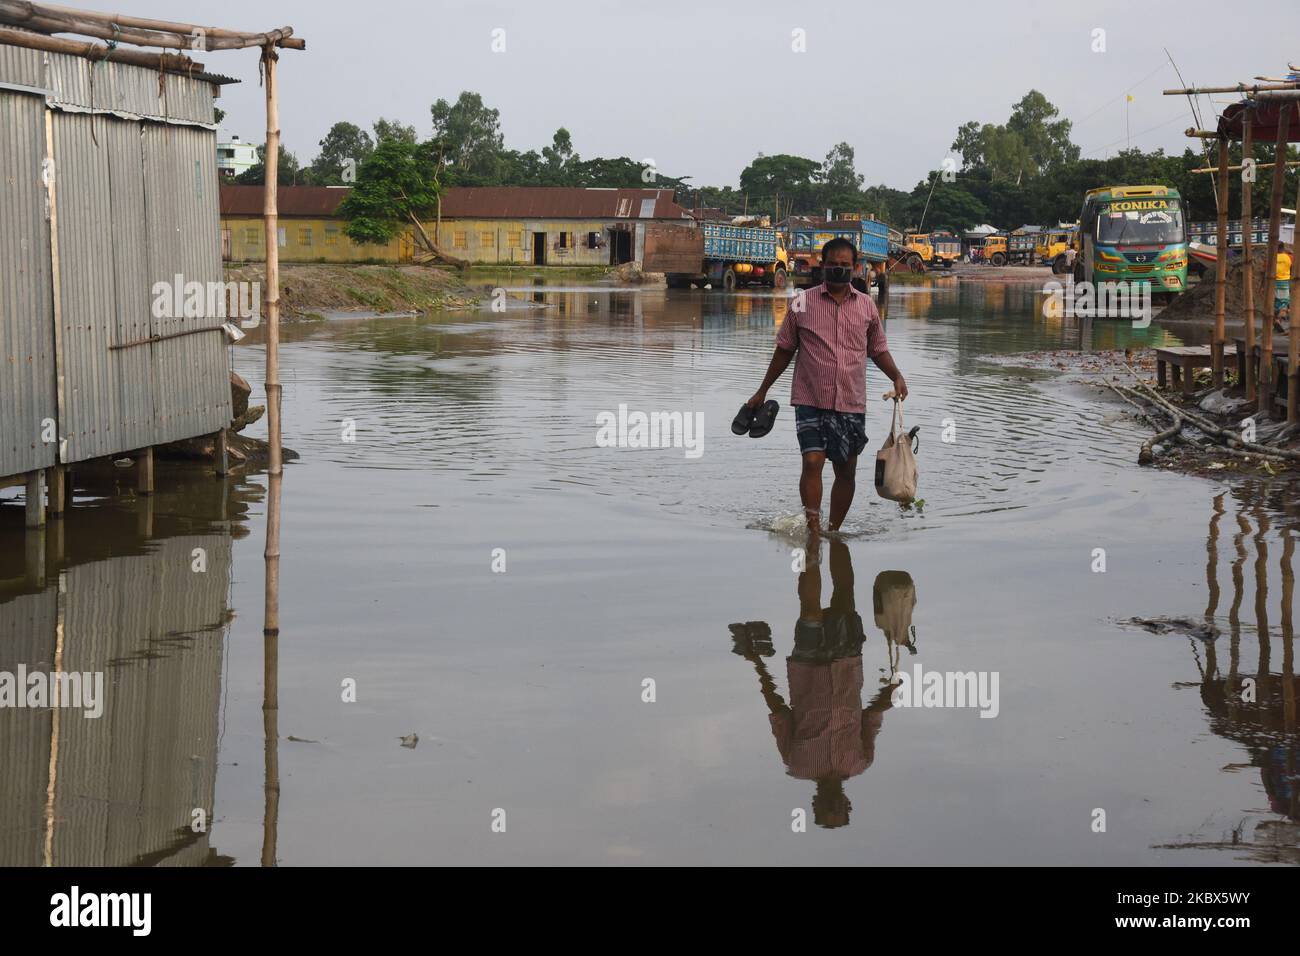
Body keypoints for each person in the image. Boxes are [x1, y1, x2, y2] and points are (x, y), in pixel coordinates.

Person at [745, 238, 907, 535]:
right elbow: (784, 350)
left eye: (845, 265)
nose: (839, 270)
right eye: (833, 264)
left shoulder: (867, 307)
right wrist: (762, 390)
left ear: (855, 267)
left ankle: (832, 531)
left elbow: (878, 349)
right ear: (822, 265)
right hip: (810, 398)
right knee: (812, 460)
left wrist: (896, 376)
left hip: (850, 400)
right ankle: (815, 531)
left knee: (845, 471)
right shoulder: (801, 303)